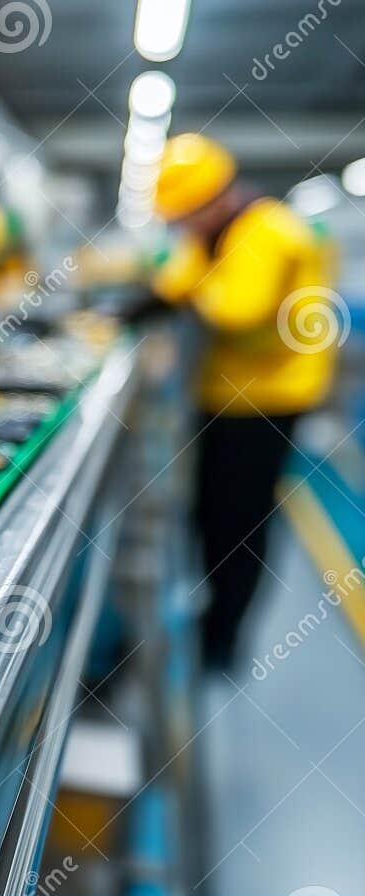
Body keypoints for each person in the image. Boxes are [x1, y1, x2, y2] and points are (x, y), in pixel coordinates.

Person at [146, 133, 338, 671]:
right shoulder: (215, 234)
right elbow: (174, 281)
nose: (182, 226)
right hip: (226, 394)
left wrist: (186, 289)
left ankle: (224, 640)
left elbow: (236, 311)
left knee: (242, 520)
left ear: (216, 199)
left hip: (270, 399)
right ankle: (211, 612)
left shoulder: (267, 230)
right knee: (209, 509)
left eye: (186, 215)